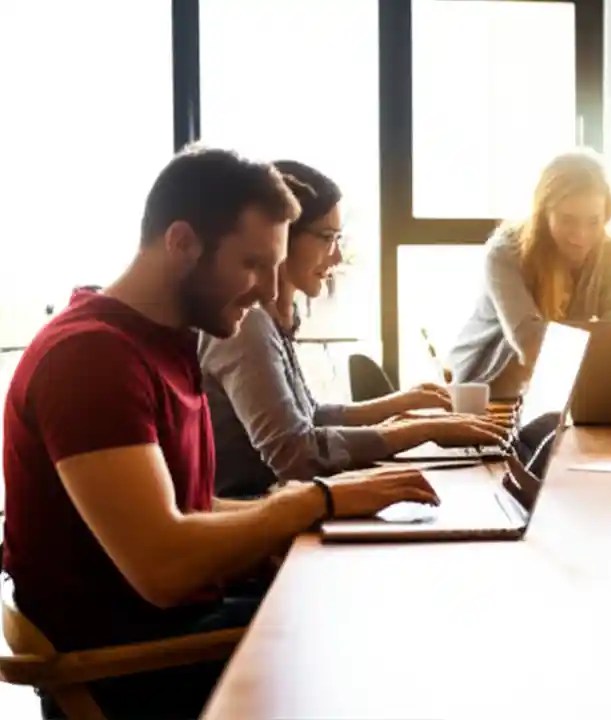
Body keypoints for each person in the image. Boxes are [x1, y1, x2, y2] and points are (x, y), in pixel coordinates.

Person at [1, 147, 440, 718]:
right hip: (132, 668)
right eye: (253, 265)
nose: (265, 291)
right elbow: (163, 566)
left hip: (172, 630)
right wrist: (312, 501)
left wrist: (312, 511)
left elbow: (189, 506)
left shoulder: (162, 341)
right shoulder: (92, 358)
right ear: (181, 243)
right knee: (386, 637)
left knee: (374, 590)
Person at [199, 161, 505, 498]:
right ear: (284, 235)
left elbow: (310, 415)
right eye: (327, 238)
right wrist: (418, 429)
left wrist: (401, 404)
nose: (337, 256)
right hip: (258, 518)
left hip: (283, 504)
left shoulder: (275, 318)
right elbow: (296, 454)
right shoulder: (248, 323)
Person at [450, 150, 611, 398]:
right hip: (486, 389)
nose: (581, 236)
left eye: (593, 221)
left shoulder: (609, 253)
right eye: (567, 220)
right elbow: (531, 345)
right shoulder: (505, 253)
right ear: (544, 212)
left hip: (558, 390)